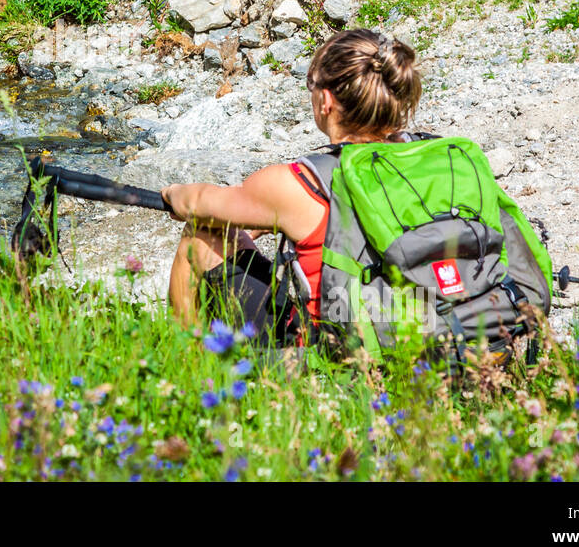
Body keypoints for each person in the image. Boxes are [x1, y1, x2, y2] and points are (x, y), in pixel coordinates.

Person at [162, 28, 423, 344]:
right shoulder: (439, 161)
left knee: (200, 235)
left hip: (340, 348)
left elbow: (197, 203)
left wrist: (172, 193)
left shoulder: (304, 182)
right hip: (438, 332)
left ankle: (186, 364)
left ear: (325, 100)